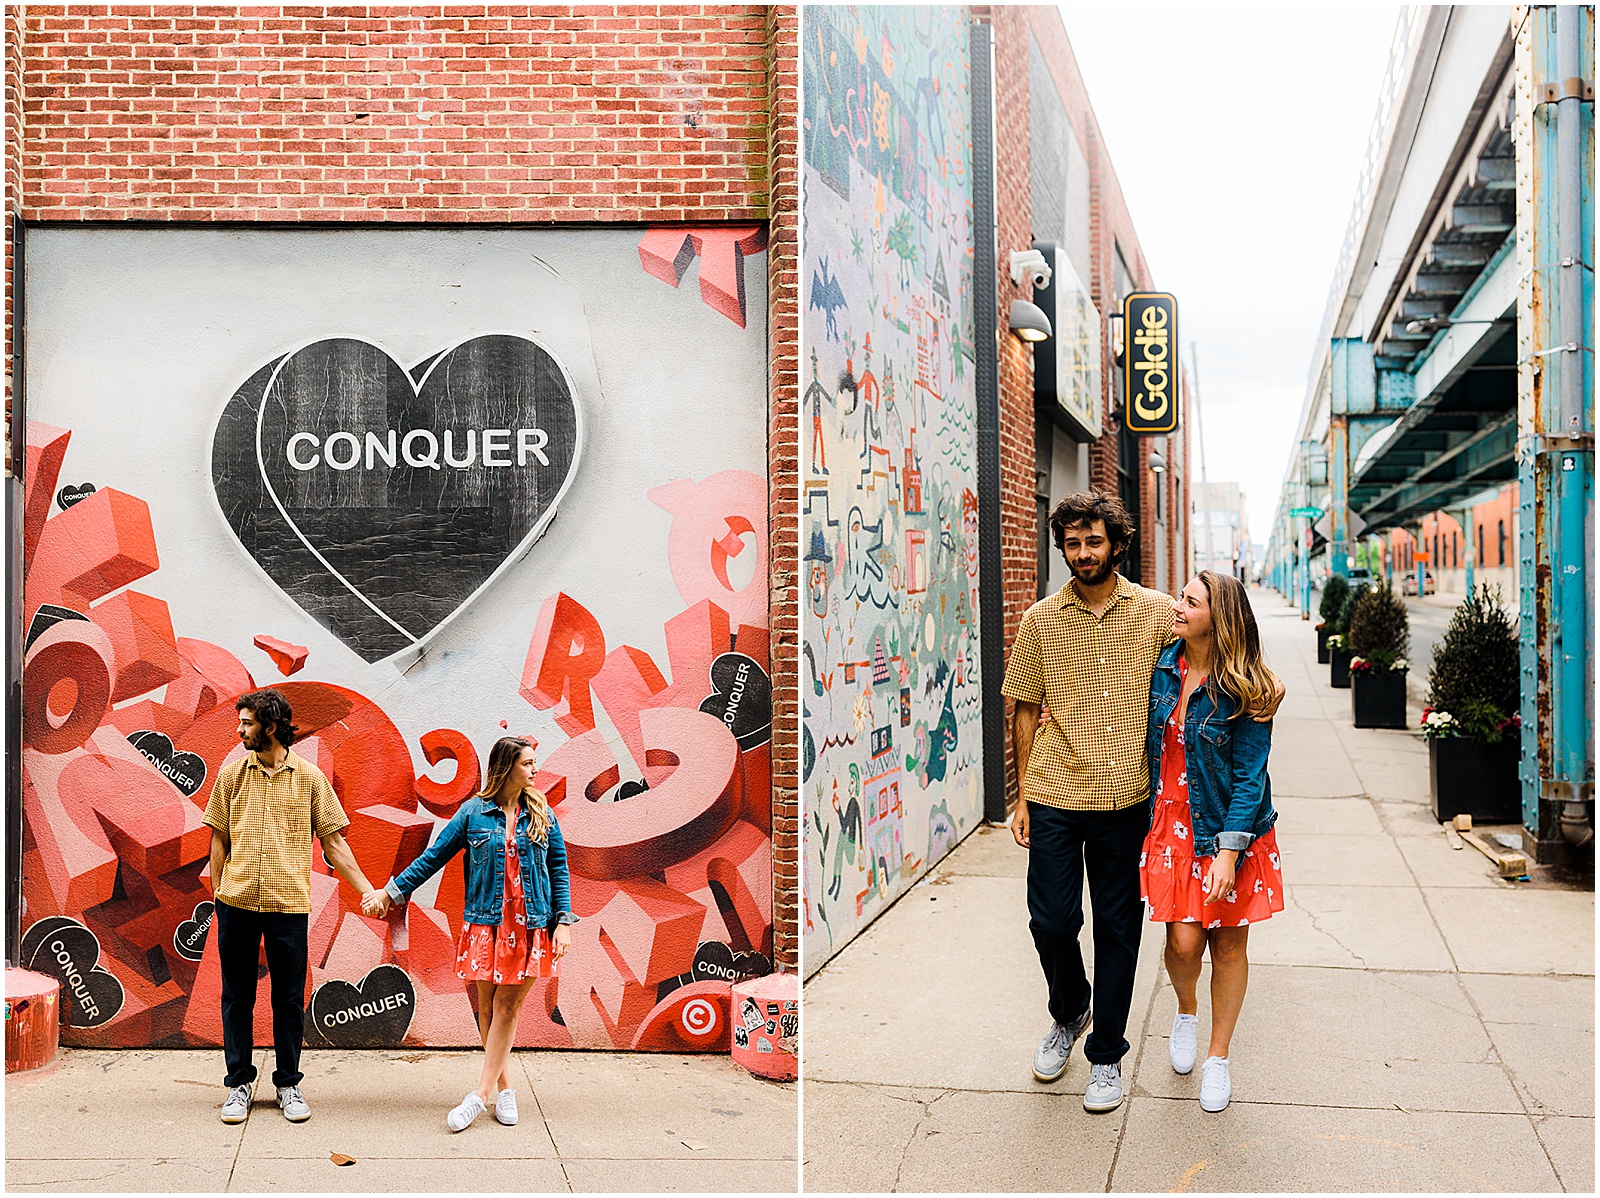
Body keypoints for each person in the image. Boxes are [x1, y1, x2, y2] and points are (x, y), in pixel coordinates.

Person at [1003, 492, 1282, 1114]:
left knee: (1119, 929)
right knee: (1049, 922)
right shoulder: (1040, 619)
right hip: (1052, 788)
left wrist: (1264, 688)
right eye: (1072, 543)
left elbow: (1226, 648)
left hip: (1128, 798)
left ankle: (1106, 1056)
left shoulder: (1158, 612)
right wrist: (1022, 792)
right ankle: (1070, 1010)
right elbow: (1022, 706)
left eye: (1094, 541)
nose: (1082, 554)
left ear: (1116, 544)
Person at [364, 736, 575, 1132]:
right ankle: (506, 1088)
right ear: (507, 767)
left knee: (508, 1007)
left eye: (534, 762)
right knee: (487, 1008)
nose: (534, 770)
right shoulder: (472, 814)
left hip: (531, 926)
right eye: (527, 763)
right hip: (486, 924)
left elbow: (559, 868)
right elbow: (431, 859)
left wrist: (562, 922)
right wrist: (390, 893)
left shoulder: (542, 812)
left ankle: (479, 1095)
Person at [1141, 570, 1284, 1113]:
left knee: (1228, 943)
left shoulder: (1246, 688)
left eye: (1190, 601)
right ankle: (1185, 1011)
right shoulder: (1163, 665)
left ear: (1217, 618)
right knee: (1182, 942)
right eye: (1180, 597)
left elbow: (1251, 775)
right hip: (1173, 825)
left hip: (1231, 829)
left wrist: (1229, 851)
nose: (1178, 605)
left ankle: (1218, 1058)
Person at [204, 688, 378, 1125]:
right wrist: (219, 894)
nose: (239, 729)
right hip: (237, 904)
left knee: (287, 998)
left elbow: (334, 843)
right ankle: (239, 1083)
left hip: (288, 906)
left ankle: (287, 1083)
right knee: (236, 997)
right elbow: (218, 837)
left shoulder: (310, 779)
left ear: (271, 726)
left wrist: (366, 889)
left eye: (246, 723)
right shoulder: (231, 776)